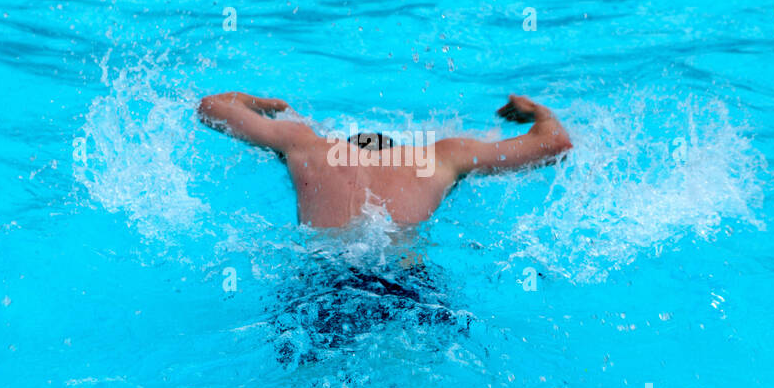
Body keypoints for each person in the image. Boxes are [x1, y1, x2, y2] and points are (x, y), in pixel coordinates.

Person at [196, 92, 572, 228]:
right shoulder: (439, 157)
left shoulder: (308, 148)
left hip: (324, 285)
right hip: (406, 289)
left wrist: (266, 104)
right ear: (393, 150)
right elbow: (555, 144)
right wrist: (537, 111)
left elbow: (212, 107)